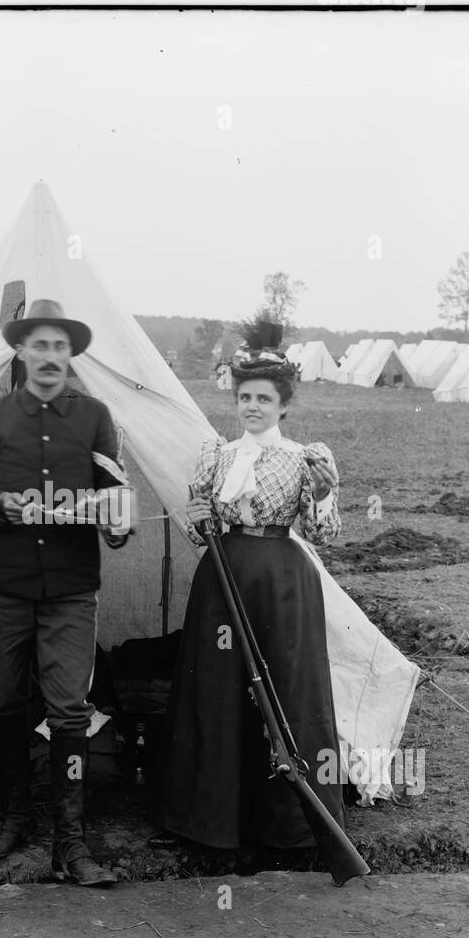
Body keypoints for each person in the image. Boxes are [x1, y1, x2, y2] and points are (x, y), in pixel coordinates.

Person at [0, 299, 130, 888]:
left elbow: (117, 498)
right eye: (39, 346)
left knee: (70, 710)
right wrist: (0, 504)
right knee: (4, 703)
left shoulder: (96, 416)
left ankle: (70, 842)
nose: (50, 358)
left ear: (72, 355)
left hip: (72, 589)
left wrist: (115, 522)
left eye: (60, 347)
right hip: (4, 585)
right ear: (20, 352)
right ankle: (13, 817)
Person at [153, 351, 347, 852]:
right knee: (217, 689)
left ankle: (287, 825)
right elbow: (204, 532)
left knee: (284, 690)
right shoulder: (215, 454)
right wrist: (199, 516)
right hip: (222, 576)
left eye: (264, 398)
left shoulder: (307, 458)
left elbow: (321, 535)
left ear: (283, 406)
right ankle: (212, 821)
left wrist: (324, 495)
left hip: (282, 583)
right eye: (245, 397)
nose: (253, 406)